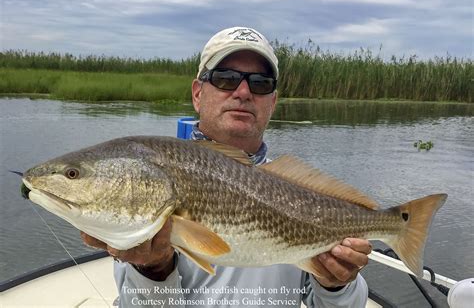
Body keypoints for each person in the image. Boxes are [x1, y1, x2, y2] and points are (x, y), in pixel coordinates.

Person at [81, 26, 371, 307]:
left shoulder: (300, 195)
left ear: (273, 102)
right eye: (226, 77)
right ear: (197, 94)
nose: (243, 92)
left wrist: (336, 283)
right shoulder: (157, 176)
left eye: (260, 83)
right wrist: (152, 271)